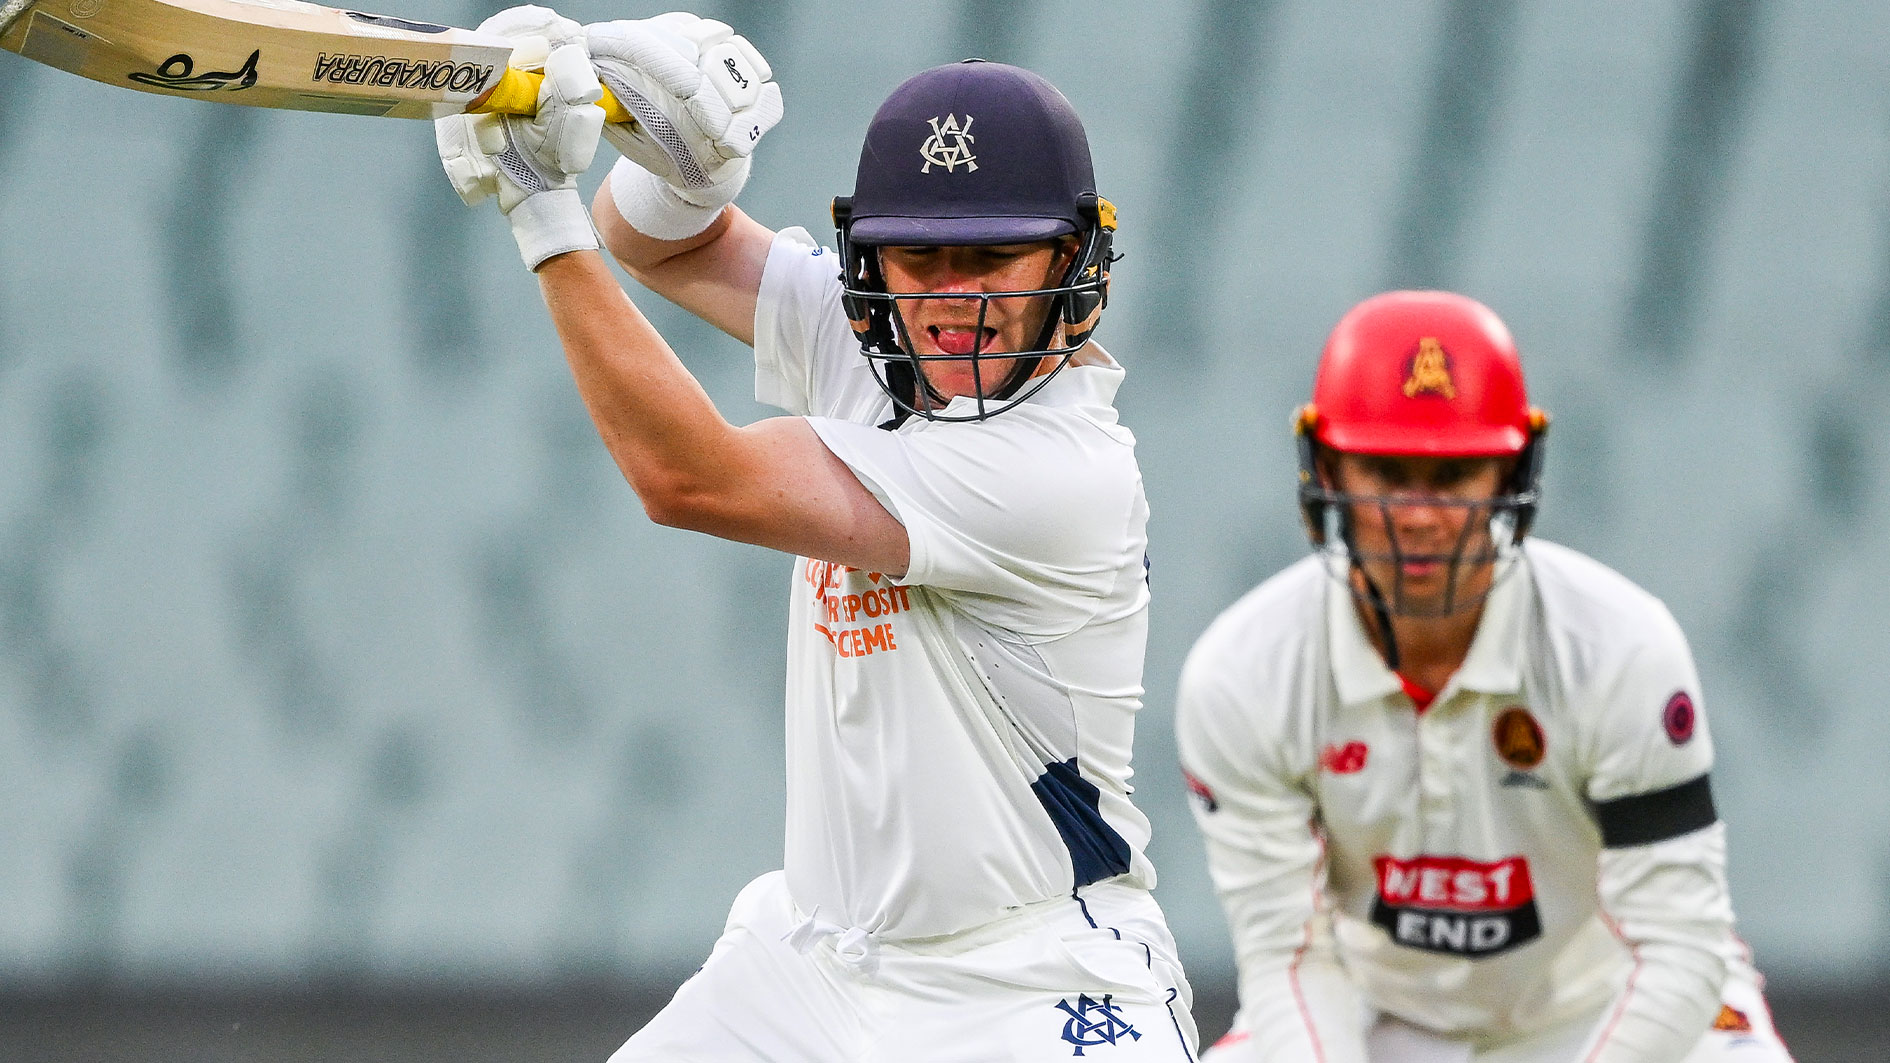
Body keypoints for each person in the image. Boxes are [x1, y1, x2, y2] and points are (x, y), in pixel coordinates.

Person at [432, 7, 1197, 1060]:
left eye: (994, 258)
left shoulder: (1061, 471)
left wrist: (536, 205)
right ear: (870, 263)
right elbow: (659, 239)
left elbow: (689, 477)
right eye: (918, 260)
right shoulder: (873, 345)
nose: (953, 300)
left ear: (1074, 262)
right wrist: (683, 162)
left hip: (1028, 980)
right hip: (810, 969)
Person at [1175, 290, 1794, 1062]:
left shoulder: (1620, 648)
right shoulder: (1244, 673)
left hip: (1605, 1008)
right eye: (1388, 473)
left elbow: (1679, 948)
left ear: (1510, 476)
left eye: (1455, 473)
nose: (1421, 515)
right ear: (1326, 467)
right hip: (1383, 1022)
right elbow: (1291, 956)